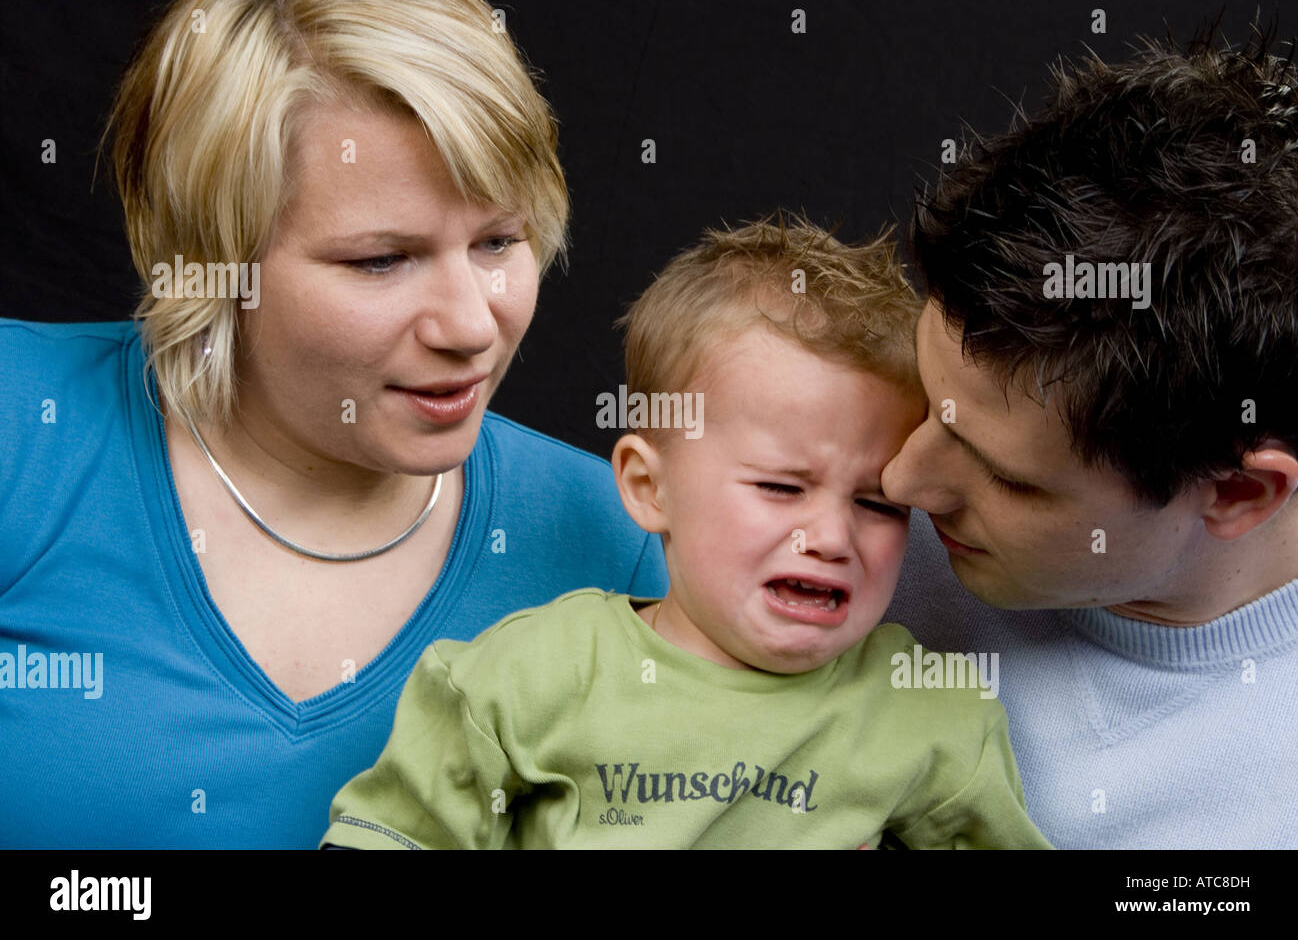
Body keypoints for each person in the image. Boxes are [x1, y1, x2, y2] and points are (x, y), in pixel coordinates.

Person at [0, 0, 665, 848]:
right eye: (383, 260)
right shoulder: (25, 427)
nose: (471, 325)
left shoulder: (616, 540)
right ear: (211, 259)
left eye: (499, 240)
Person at [318, 216, 1054, 849]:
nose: (830, 536)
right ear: (649, 487)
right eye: (780, 487)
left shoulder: (925, 709)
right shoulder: (527, 678)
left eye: (878, 503)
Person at [880, 29, 1298, 848]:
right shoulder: (811, 522)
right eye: (927, 399)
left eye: (1009, 478)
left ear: (1238, 492)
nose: (896, 482)